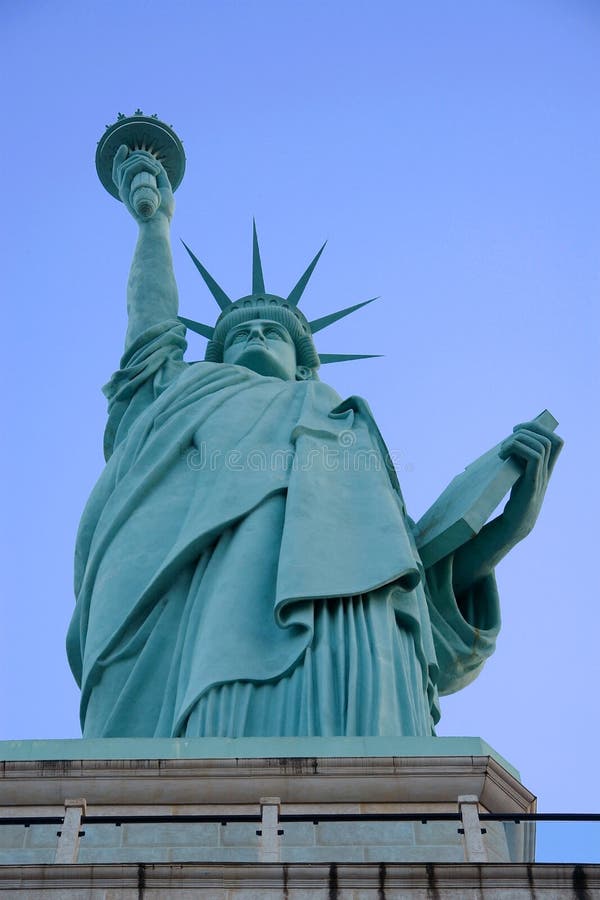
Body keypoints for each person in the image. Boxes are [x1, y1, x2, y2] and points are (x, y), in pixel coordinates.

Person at [67, 148, 562, 738]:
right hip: (192, 609)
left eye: (271, 331)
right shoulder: (182, 391)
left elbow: (410, 579)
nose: (254, 335)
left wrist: (508, 527)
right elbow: (149, 332)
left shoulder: (340, 419)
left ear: (303, 367)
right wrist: (155, 226)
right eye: (238, 333)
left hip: (343, 626)